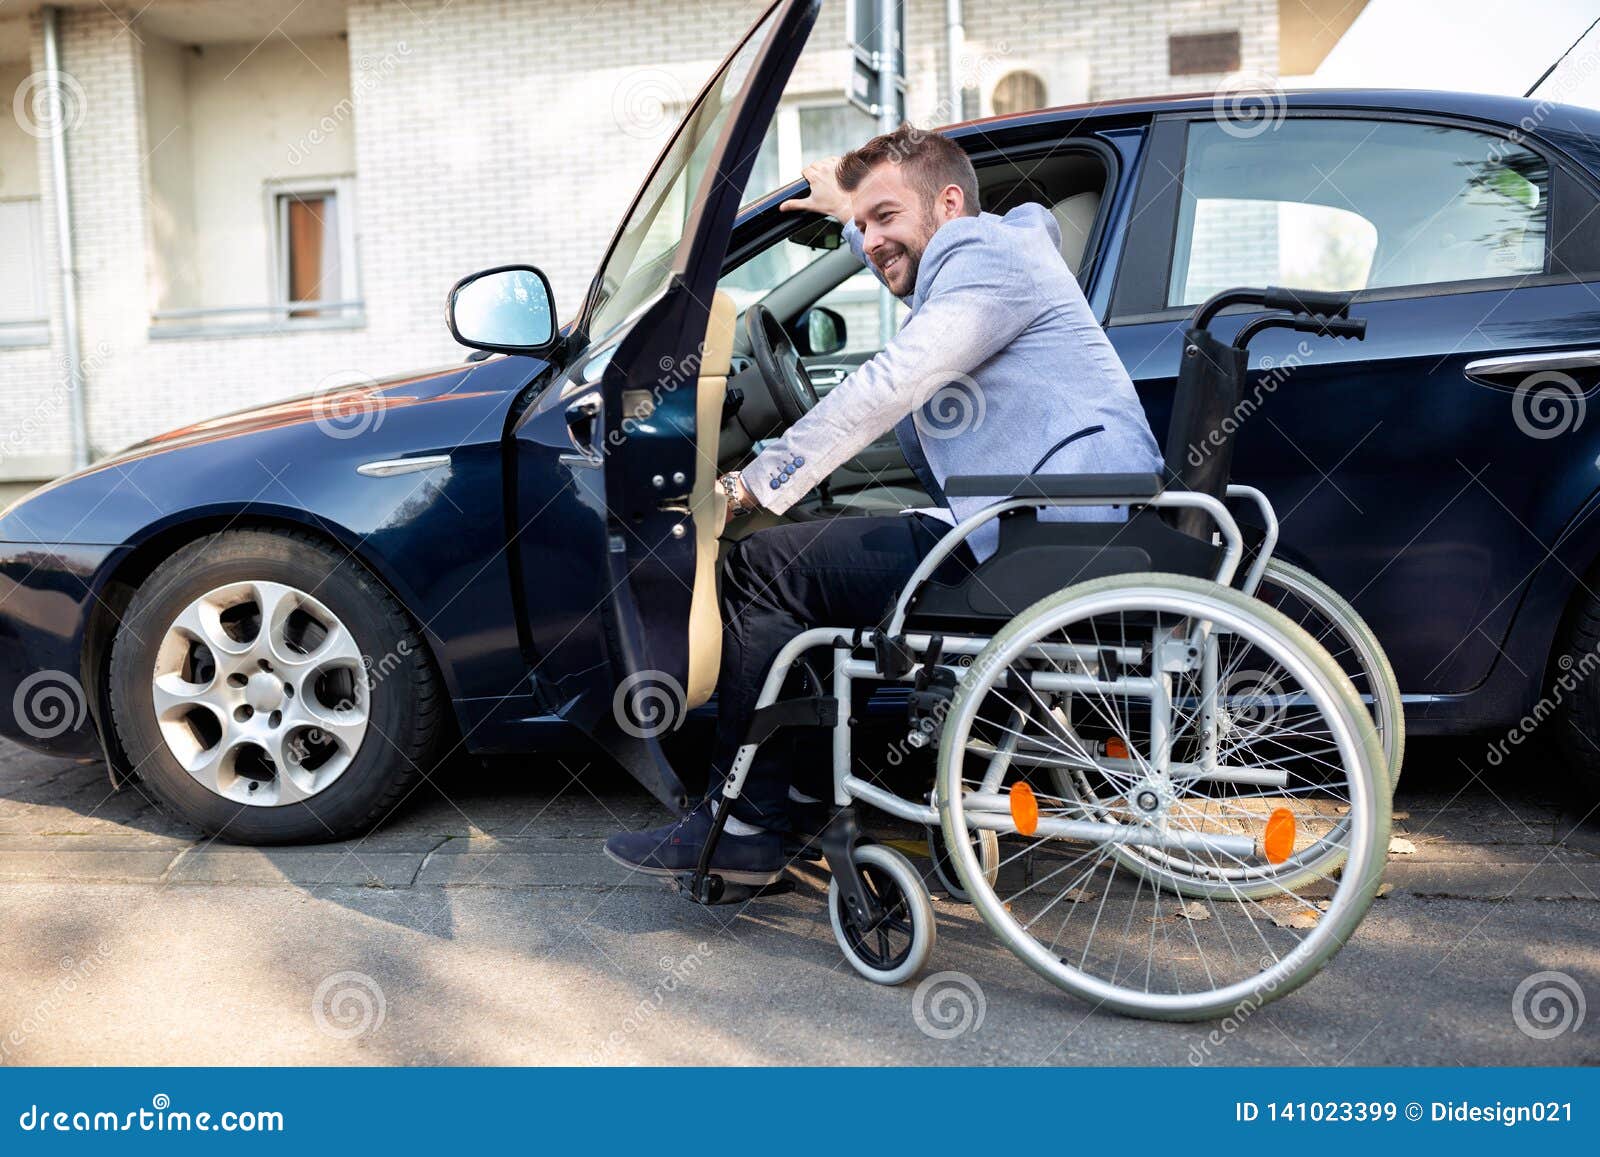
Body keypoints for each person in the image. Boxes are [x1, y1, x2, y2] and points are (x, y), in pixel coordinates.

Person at [604, 124, 1162, 884]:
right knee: (810, 555)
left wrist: (750, 484)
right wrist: (853, 213)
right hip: (1052, 521)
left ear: (951, 203)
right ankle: (801, 794)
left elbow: (892, 381)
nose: (870, 241)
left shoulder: (985, 258)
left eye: (885, 217)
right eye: (863, 226)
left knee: (765, 569)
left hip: (1040, 538)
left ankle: (747, 825)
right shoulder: (993, 254)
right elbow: (910, 262)